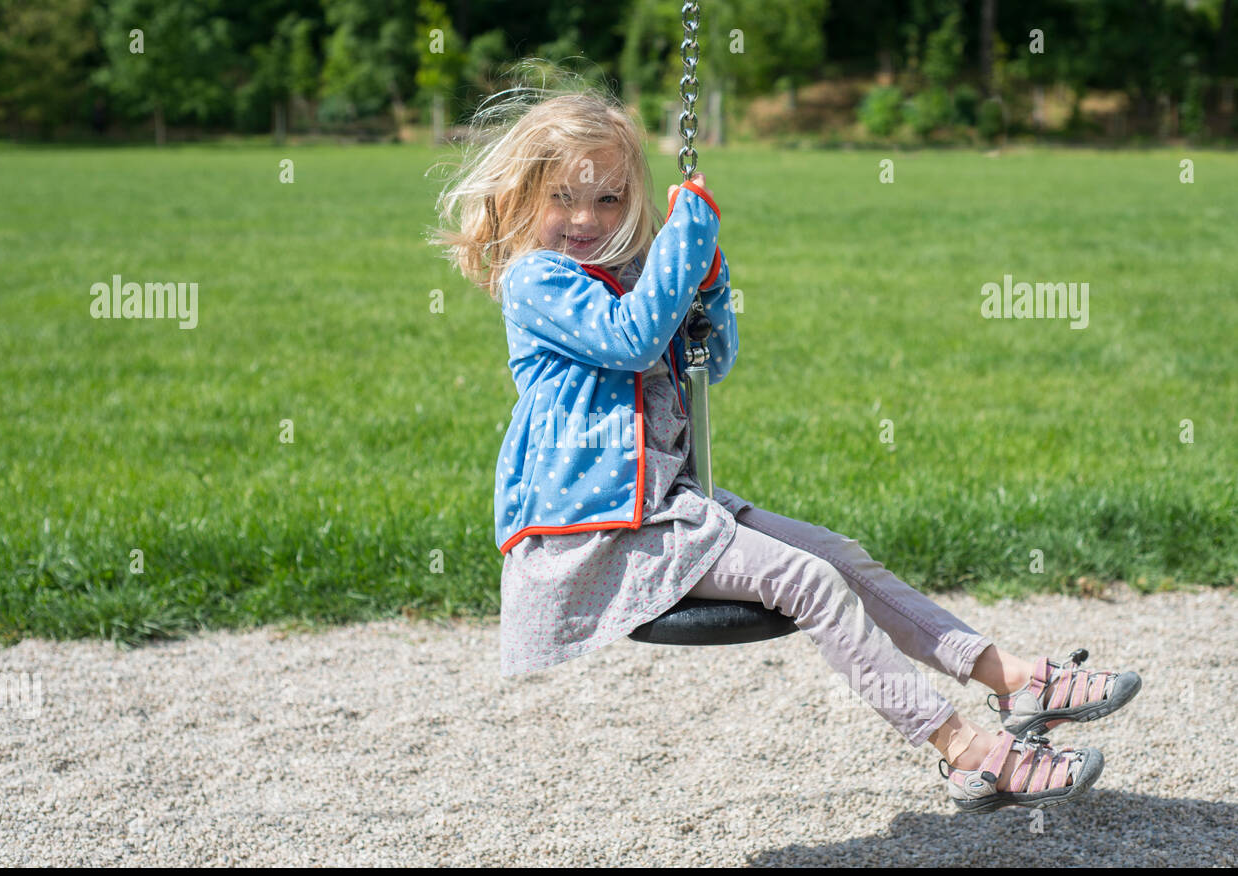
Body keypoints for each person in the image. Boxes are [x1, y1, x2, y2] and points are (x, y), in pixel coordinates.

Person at [428, 78, 1140, 813]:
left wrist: (709, 281)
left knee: (839, 554)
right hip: (598, 532)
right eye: (564, 198)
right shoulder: (537, 280)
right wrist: (686, 243)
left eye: (609, 198)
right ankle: (970, 753)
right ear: (524, 199)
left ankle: (1013, 677)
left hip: (662, 504)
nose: (586, 217)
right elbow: (632, 339)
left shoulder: (635, 278)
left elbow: (711, 358)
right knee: (811, 582)